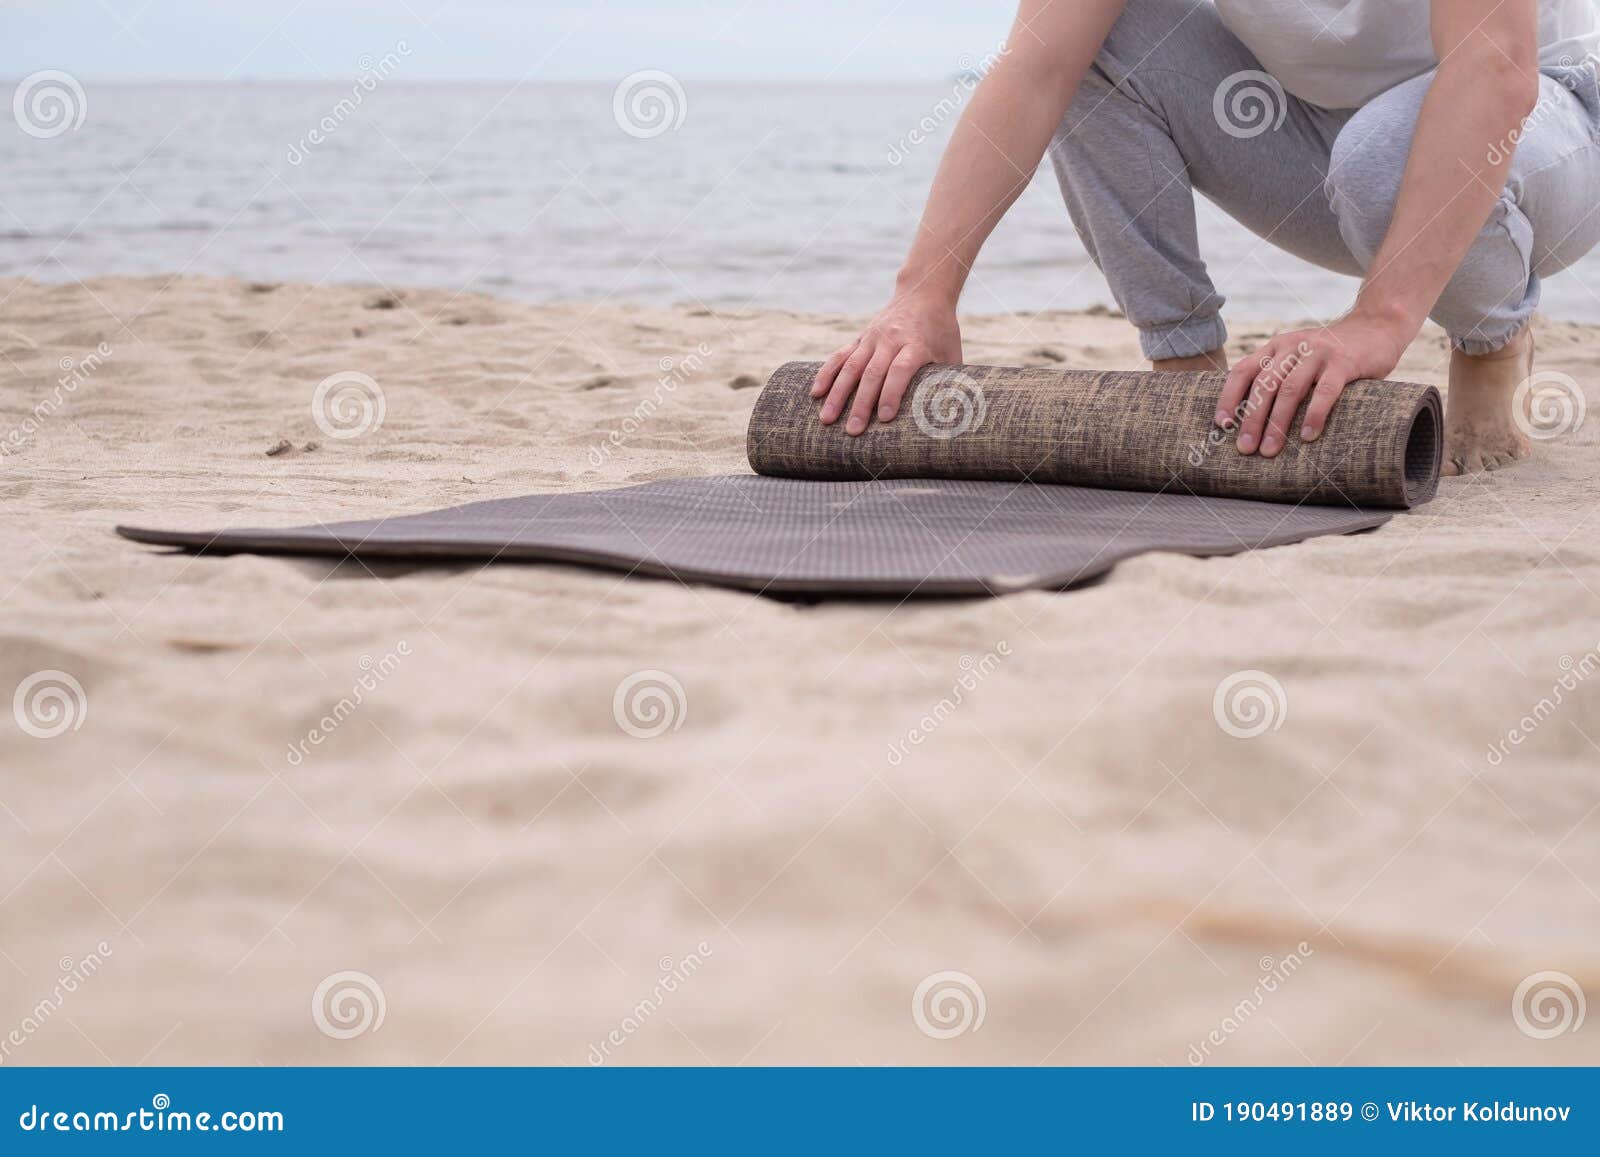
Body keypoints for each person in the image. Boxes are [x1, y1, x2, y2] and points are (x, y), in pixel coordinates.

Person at [811, 0, 1600, 475]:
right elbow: (1038, 65)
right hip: (1310, 140)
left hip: (1535, 132)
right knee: (1100, 41)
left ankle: (1492, 336)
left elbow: (1495, 67)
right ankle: (1187, 371)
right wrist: (924, 292)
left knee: (1380, 161)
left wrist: (1379, 321)